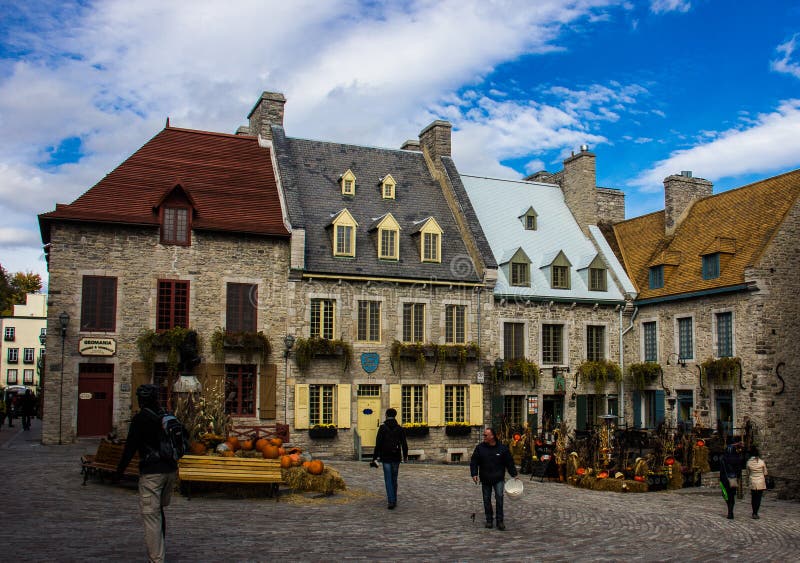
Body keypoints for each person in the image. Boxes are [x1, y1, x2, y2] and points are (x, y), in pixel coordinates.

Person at [115, 384, 179, 563]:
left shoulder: (140, 419)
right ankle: (161, 546)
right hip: (170, 470)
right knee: (159, 510)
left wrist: (118, 473)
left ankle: (156, 559)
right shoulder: (165, 416)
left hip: (152, 473)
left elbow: (130, 448)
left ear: (141, 399)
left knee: (151, 516)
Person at [470, 427, 519, 530]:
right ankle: (489, 520)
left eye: (486, 435)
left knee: (499, 498)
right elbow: (474, 461)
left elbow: (509, 462)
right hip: (485, 478)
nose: (484, 437)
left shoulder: (502, 448)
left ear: (492, 436)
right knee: (486, 500)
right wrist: (474, 474)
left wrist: (514, 474)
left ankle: (500, 521)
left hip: (498, 478)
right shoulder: (480, 448)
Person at [371, 408, 408, 509]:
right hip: (396, 457)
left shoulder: (382, 428)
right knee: (394, 479)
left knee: (388, 479)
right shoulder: (400, 428)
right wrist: (405, 456)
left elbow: (378, 444)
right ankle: (394, 499)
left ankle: (391, 501)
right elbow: (404, 444)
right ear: (395, 416)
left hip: (386, 456)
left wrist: (375, 457)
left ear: (386, 415)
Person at [719, 442, 744, 519]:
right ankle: (731, 511)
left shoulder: (723, 459)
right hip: (733, 479)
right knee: (732, 495)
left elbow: (721, 470)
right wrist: (738, 477)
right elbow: (739, 470)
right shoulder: (737, 458)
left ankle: (729, 510)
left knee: (725, 494)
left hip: (724, 479)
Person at [746, 447, 769, 519]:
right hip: (760, 481)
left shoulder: (748, 463)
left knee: (753, 497)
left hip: (753, 480)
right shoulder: (762, 462)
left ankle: (754, 512)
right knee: (758, 498)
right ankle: (756, 512)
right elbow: (765, 473)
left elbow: (748, 473)